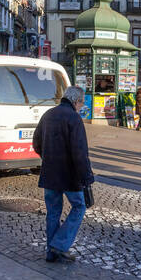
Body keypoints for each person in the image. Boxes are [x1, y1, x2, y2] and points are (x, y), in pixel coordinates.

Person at [32, 86, 95, 262]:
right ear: (76, 101)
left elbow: (36, 143)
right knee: (79, 207)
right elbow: (80, 153)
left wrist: (47, 157)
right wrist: (87, 177)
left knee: (53, 212)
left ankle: (51, 253)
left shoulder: (48, 114)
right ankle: (59, 244)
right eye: (82, 103)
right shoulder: (74, 118)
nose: (81, 106)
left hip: (50, 172)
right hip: (69, 175)